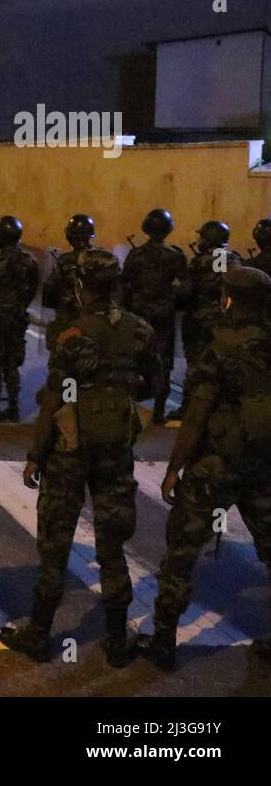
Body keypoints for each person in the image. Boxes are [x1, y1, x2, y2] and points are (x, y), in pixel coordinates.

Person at [0, 249, 156, 668]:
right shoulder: (141, 331)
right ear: (117, 284)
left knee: (55, 543)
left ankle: (39, 633)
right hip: (115, 449)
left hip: (69, 451)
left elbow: (55, 397)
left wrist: (35, 453)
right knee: (112, 543)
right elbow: (152, 385)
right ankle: (119, 640)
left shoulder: (70, 336)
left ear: (82, 287)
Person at [135, 266, 271, 670]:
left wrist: (175, 467)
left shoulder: (218, 348)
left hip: (216, 464)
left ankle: (163, 641)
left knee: (182, 552)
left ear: (228, 299)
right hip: (264, 465)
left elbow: (196, 415)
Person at [121, 209, 188, 424]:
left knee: (133, 360)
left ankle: (129, 409)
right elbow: (185, 287)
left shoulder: (136, 254)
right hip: (163, 315)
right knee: (163, 363)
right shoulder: (175, 256)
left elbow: (125, 284)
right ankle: (159, 413)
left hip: (138, 314)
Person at [177, 220, 242, 417]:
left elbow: (188, 292)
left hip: (201, 321)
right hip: (223, 321)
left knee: (196, 366)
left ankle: (190, 408)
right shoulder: (230, 259)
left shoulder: (211, 259)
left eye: (202, 237)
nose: (199, 241)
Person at [0, 215, 39, 423]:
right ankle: (14, 406)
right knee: (12, 362)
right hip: (18, 315)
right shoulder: (29, 259)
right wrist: (21, 306)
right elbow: (33, 287)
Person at [42, 213, 107, 346]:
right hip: (97, 320)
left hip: (68, 320)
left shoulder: (64, 260)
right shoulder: (106, 259)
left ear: (69, 236)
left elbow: (51, 292)